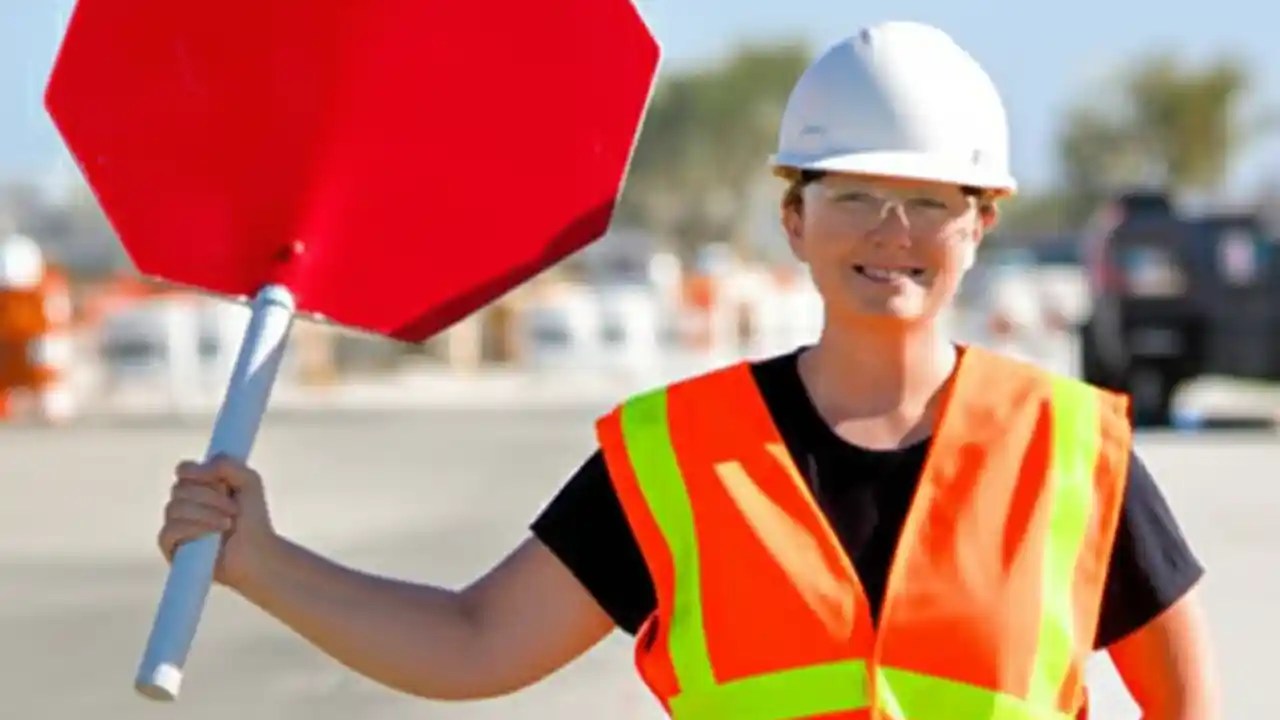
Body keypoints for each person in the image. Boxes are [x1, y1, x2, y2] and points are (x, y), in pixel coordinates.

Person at [159, 21, 1220, 719]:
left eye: (932, 201)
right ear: (793, 220)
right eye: (852, 195)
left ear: (978, 228)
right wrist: (260, 558)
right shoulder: (682, 456)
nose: (891, 231)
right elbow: (472, 641)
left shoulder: (1074, 454)